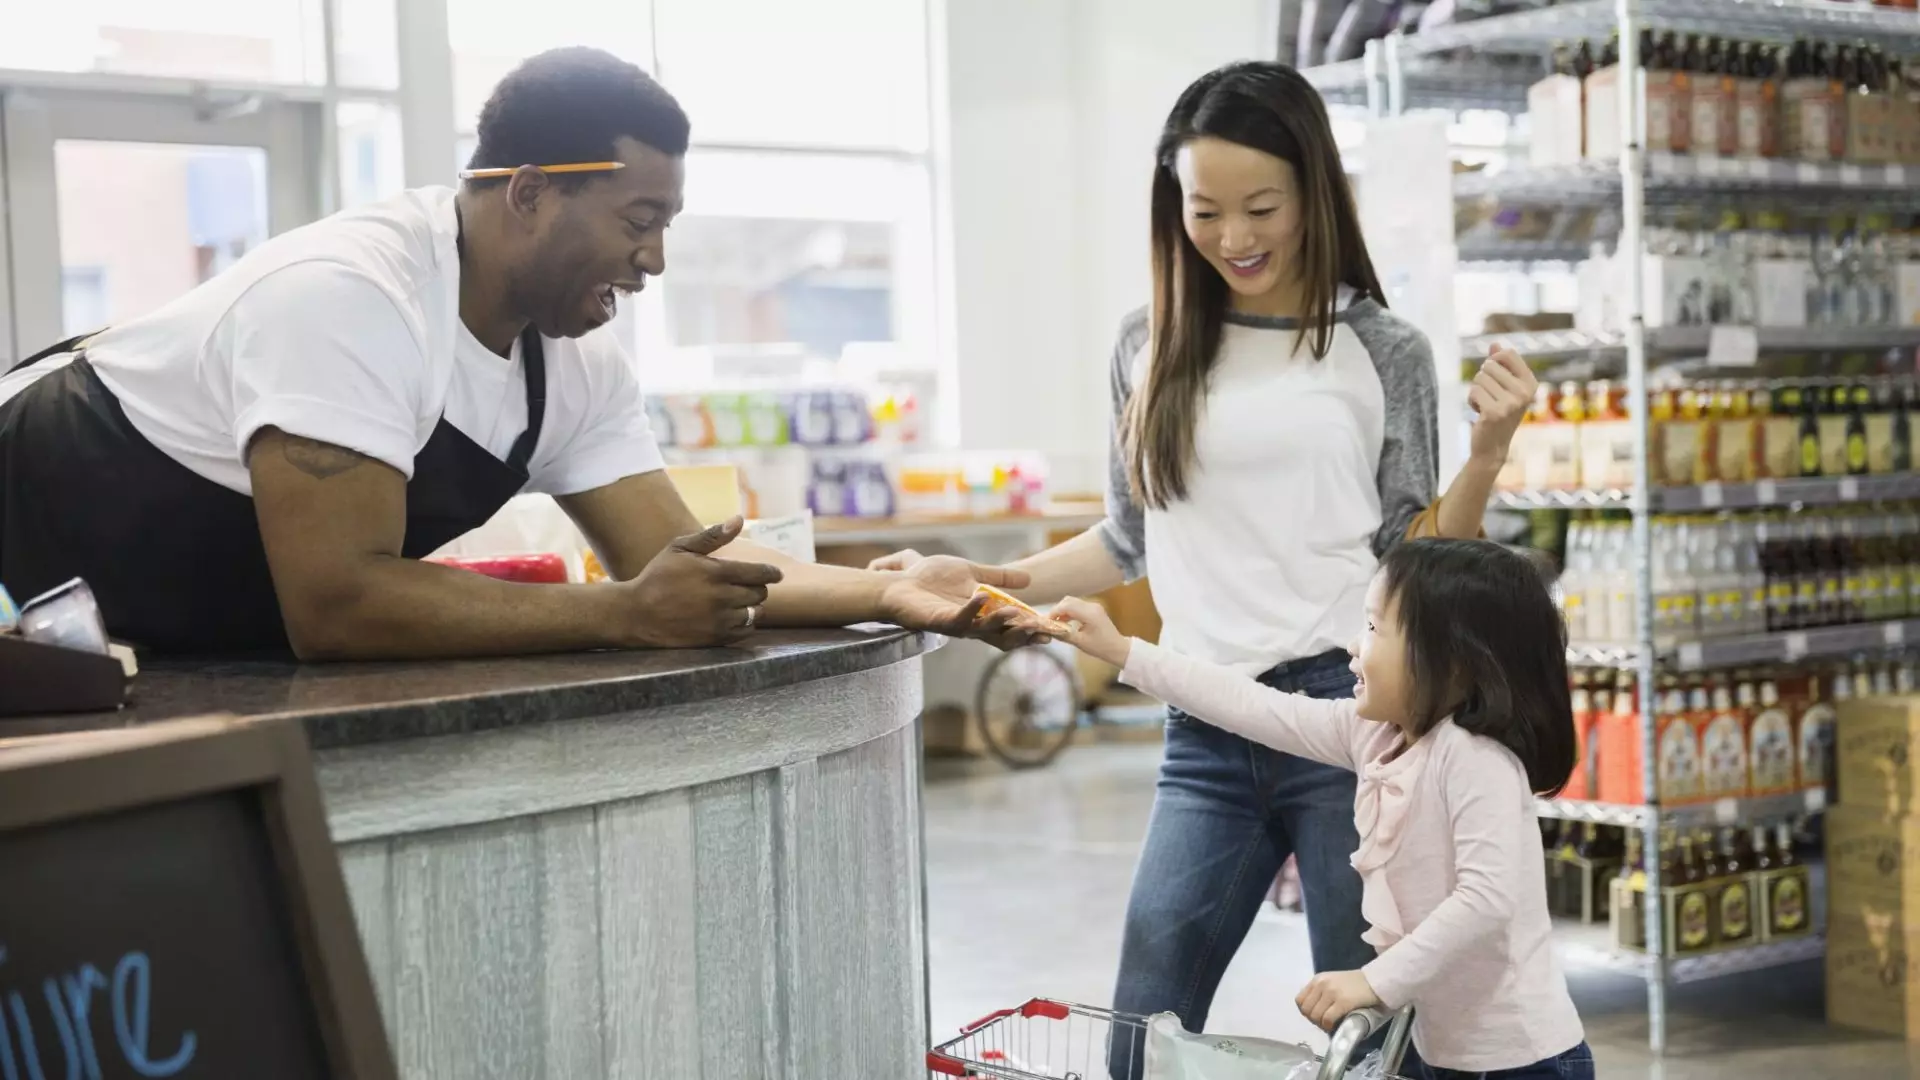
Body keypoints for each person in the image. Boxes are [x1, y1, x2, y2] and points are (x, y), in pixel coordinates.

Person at [872, 60, 1535, 1068]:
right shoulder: (1149, 345)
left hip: (1346, 723)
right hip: (1204, 725)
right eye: (1205, 210)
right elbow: (1126, 539)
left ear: (1315, 192)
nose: (1234, 237)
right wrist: (985, 581)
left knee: (1372, 1039)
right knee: (1143, 1022)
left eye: (1262, 206)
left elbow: (1417, 557)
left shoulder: (1381, 348)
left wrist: (1486, 456)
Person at [0, 47, 1038, 659]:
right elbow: (336, 602)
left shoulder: (572, 362)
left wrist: (894, 590)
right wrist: (623, 617)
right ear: (532, 192)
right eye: (638, 218)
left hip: (136, 632)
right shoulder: (348, 299)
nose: (656, 260)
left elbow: (685, 564)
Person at [1048, 539, 1591, 1080]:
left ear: (1452, 659)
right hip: (1443, 1055)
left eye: (1376, 629)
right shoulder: (1375, 735)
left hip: (1524, 1062)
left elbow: (1486, 898)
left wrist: (1374, 981)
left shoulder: (1475, 759)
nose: (1355, 647)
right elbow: (1253, 705)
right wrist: (1123, 650)